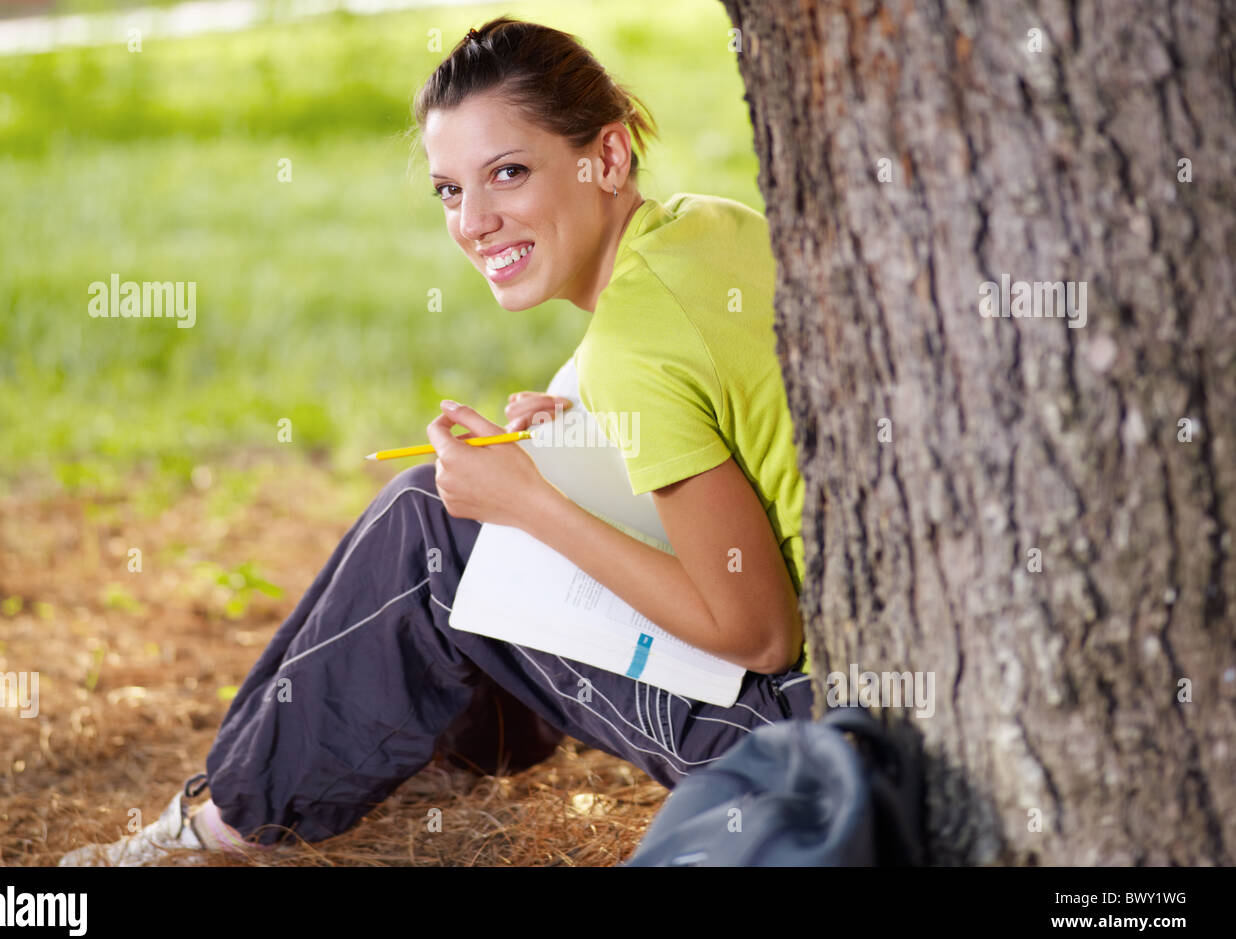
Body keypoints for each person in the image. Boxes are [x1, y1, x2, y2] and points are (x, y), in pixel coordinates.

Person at [60, 15, 813, 866]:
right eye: (450, 190)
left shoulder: (632, 349)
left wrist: (532, 503)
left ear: (605, 158)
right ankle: (368, 758)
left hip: (787, 734)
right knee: (453, 507)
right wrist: (595, 444)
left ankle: (224, 825)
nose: (475, 221)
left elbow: (757, 633)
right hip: (833, 685)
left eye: (509, 174)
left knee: (431, 523)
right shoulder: (712, 225)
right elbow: (738, 424)